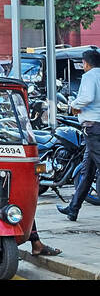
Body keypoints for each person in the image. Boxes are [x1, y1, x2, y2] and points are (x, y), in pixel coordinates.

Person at [58, 48, 100, 220]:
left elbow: (87, 97)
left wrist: (73, 105)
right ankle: (73, 208)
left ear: (86, 63)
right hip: (96, 126)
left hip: (92, 127)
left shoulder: (89, 76)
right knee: (87, 170)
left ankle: (73, 208)